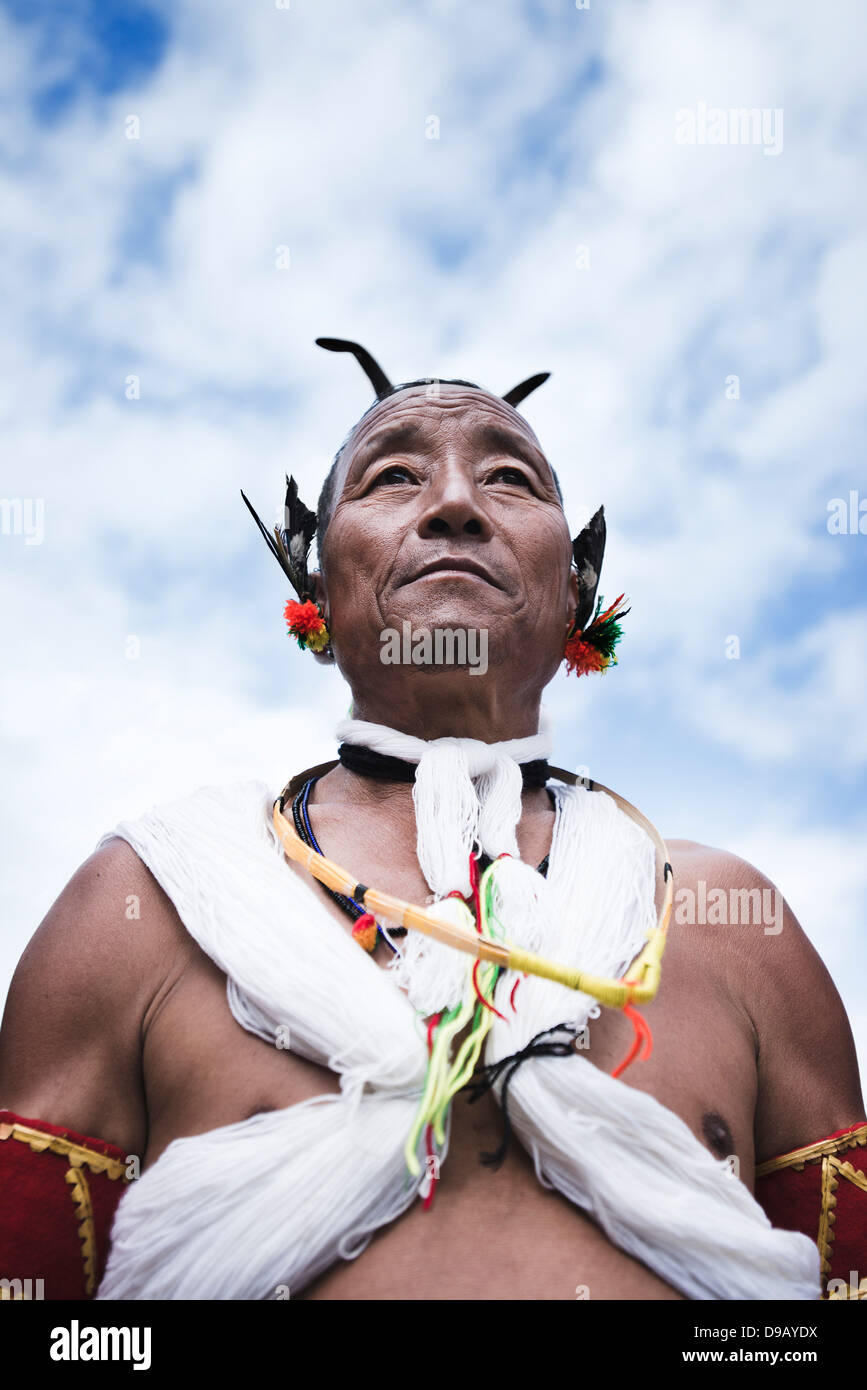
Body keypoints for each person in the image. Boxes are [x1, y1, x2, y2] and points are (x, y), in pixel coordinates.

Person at [0, 340, 864, 1303]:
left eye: (507, 477)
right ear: (313, 581)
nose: (454, 502)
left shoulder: (725, 918)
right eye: (394, 475)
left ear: (578, 586)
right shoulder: (147, 899)